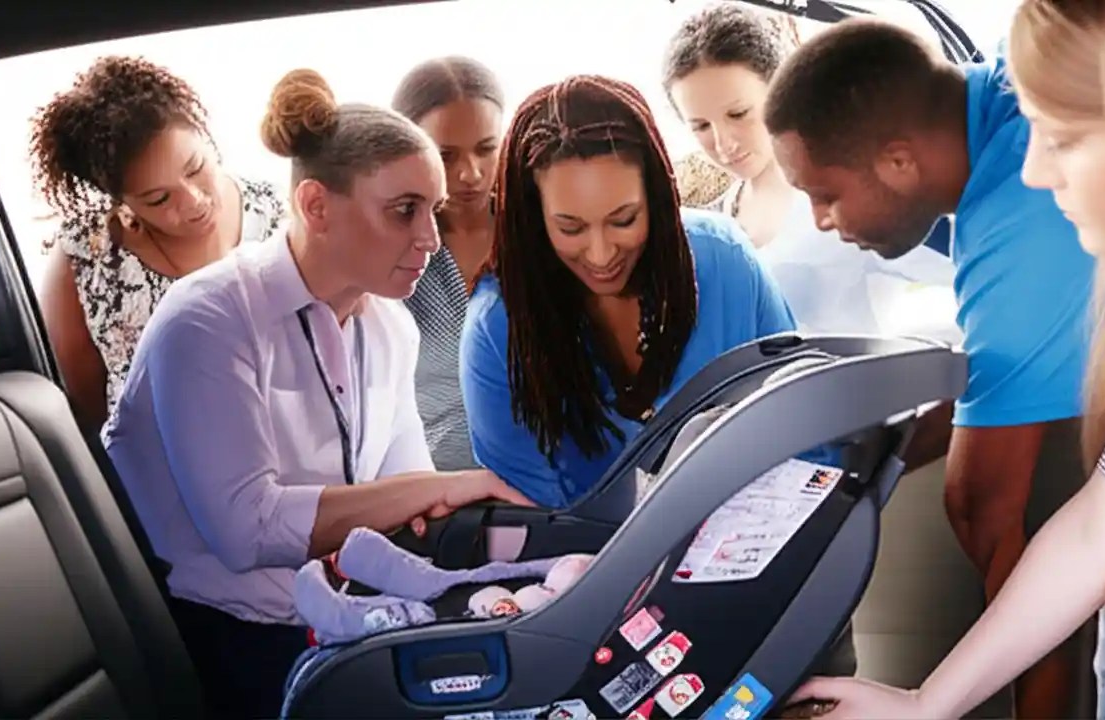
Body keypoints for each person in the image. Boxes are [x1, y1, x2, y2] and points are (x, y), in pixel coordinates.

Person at [787, 3, 1105, 719]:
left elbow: (1018, 513)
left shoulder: (1022, 243)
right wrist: (925, 704)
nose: (1034, 171)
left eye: (1063, 138)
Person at [103, 68, 531, 719]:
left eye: (433, 210)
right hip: (223, 639)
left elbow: (407, 493)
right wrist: (442, 489)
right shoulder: (208, 319)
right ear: (315, 207)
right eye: (404, 211)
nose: (430, 237)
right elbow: (246, 529)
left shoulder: (390, 326)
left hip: (341, 617)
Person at [763, 18, 1098, 718]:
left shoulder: (1022, 213)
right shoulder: (1001, 86)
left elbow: (986, 510)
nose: (818, 220)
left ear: (898, 161)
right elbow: (988, 386)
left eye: (826, 195)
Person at [460, 74, 798, 510]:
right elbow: (526, 517)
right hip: (590, 554)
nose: (601, 255)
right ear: (534, 219)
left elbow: (800, 425)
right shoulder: (497, 329)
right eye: (570, 228)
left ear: (656, 199)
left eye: (624, 220)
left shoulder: (725, 260)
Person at [662, 2, 958, 338]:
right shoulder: (715, 225)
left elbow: (976, 263)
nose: (723, 142)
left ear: (779, 89)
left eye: (738, 114)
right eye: (701, 126)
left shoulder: (852, 195)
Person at [32, 55, 286, 438]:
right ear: (120, 201)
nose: (194, 201)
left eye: (195, 167)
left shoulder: (277, 213)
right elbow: (90, 413)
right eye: (158, 199)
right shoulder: (88, 258)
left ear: (202, 134)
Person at [391, 56, 504, 471]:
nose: (470, 174)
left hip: (557, 482)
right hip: (434, 488)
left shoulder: (545, 232)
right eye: (446, 156)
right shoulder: (390, 254)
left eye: (486, 149)